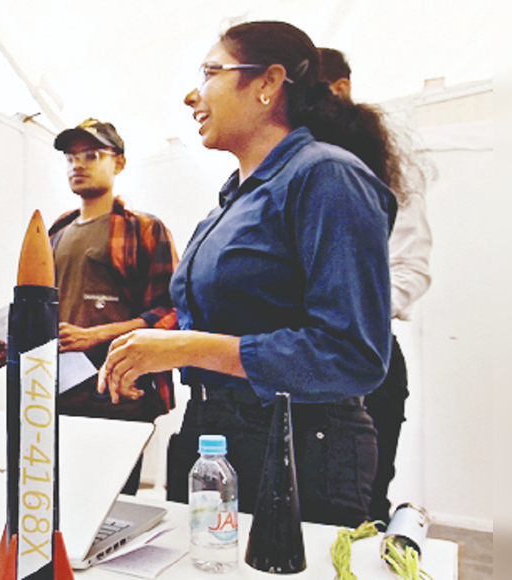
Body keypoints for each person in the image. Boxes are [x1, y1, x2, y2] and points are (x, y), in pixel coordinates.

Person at [99, 21, 402, 527]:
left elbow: (355, 352)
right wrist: (152, 347)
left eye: (211, 72)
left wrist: (187, 348)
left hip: (299, 447)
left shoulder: (327, 175)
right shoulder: (229, 202)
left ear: (266, 84)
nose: (191, 95)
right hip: (214, 436)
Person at [0, 119, 179, 494]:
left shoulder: (142, 229)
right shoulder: (56, 231)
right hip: (55, 397)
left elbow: (170, 312)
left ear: (118, 163)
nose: (78, 164)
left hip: (118, 397)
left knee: (111, 509)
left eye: (91, 155)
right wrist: (19, 345)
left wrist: (96, 335)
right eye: (71, 156)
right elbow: (46, 312)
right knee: (58, 504)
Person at [318, 47, 433, 523]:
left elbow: (412, 269)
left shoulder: (377, 173)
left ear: (339, 89)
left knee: (363, 504)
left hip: (368, 356)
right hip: (303, 363)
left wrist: (352, 308)